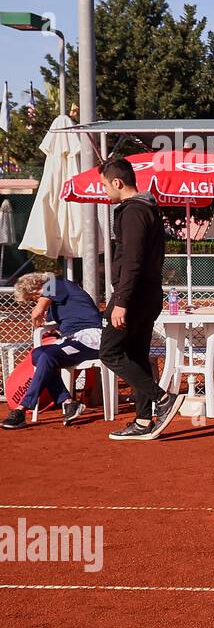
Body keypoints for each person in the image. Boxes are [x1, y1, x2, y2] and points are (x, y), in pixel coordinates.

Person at [97, 156, 181, 441]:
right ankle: (144, 420)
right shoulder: (149, 209)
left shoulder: (132, 212)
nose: (105, 192)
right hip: (149, 293)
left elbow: (131, 260)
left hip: (132, 296)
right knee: (135, 354)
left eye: (106, 186)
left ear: (118, 182)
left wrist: (121, 300)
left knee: (109, 352)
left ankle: (163, 398)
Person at [3, 272, 102, 429]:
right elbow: (54, 324)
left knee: (48, 356)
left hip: (89, 339)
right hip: (72, 340)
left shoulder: (57, 284)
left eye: (32, 298)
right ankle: (68, 402)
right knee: (38, 354)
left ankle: (22, 408)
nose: (34, 301)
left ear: (34, 289)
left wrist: (38, 308)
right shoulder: (54, 302)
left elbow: (40, 305)